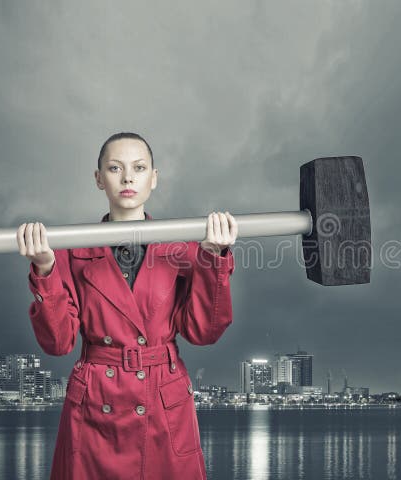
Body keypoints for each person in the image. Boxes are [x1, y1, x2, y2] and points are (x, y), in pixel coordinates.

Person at [16, 132, 238, 480]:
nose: (128, 177)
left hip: (163, 402)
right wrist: (44, 269)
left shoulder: (182, 248)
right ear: (98, 178)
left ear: (154, 178)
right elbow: (58, 343)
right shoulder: (67, 251)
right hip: (94, 405)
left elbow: (203, 331)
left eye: (139, 167)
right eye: (115, 167)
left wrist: (214, 256)